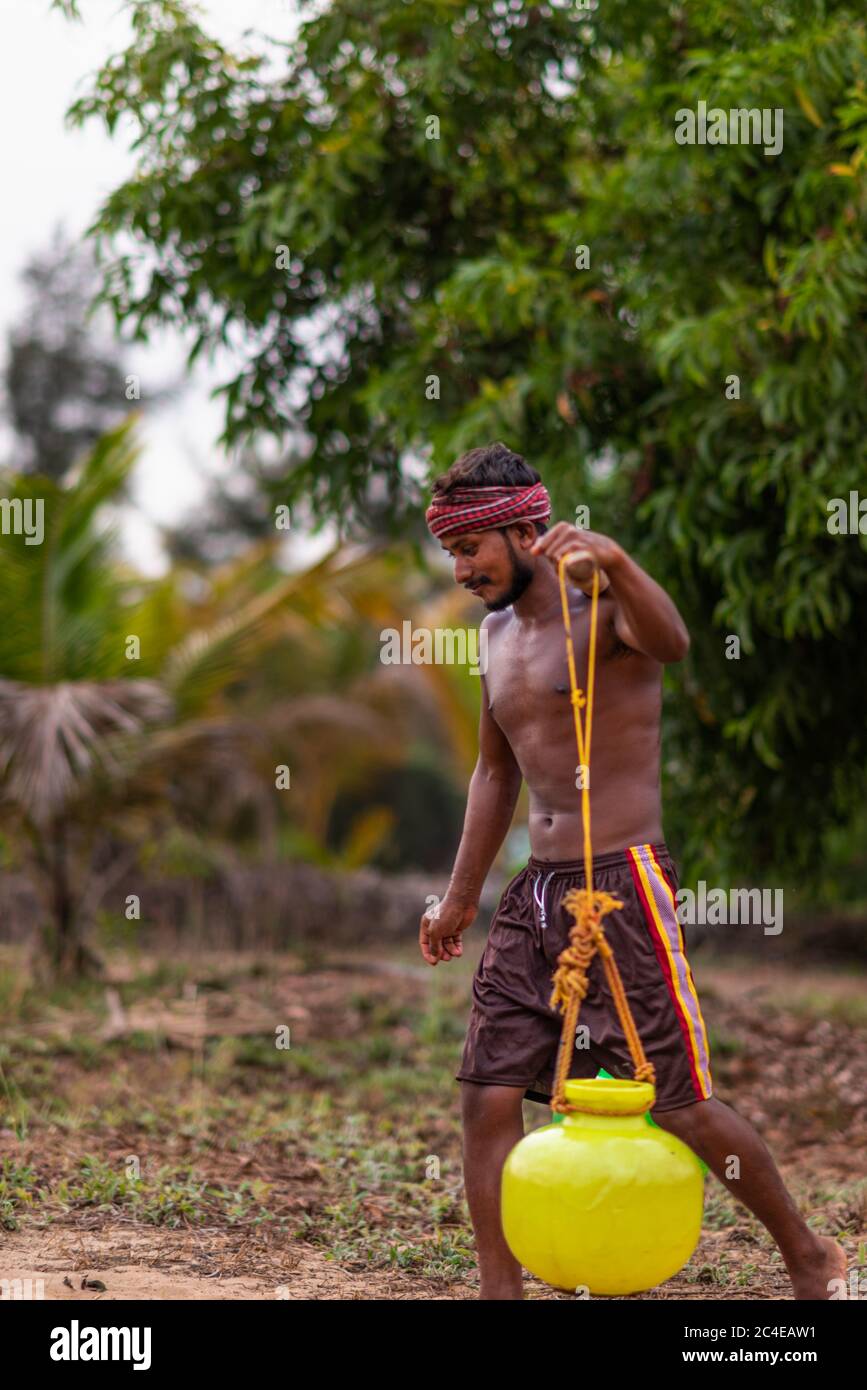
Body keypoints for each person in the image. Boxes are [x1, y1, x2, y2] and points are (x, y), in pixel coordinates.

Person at [418, 441, 847, 1301]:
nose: (461, 570)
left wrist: (614, 558)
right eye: (452, 555)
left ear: (522, 528)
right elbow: (493, 771)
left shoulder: (604, 607)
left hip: (620, 885)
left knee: (679, 1102)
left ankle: (810, 1258)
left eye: (469, 549)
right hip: (533, 891)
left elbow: (676, 643)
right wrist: (460, 897)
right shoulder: (494, 634)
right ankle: (499, 1295)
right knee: (487, 1092)